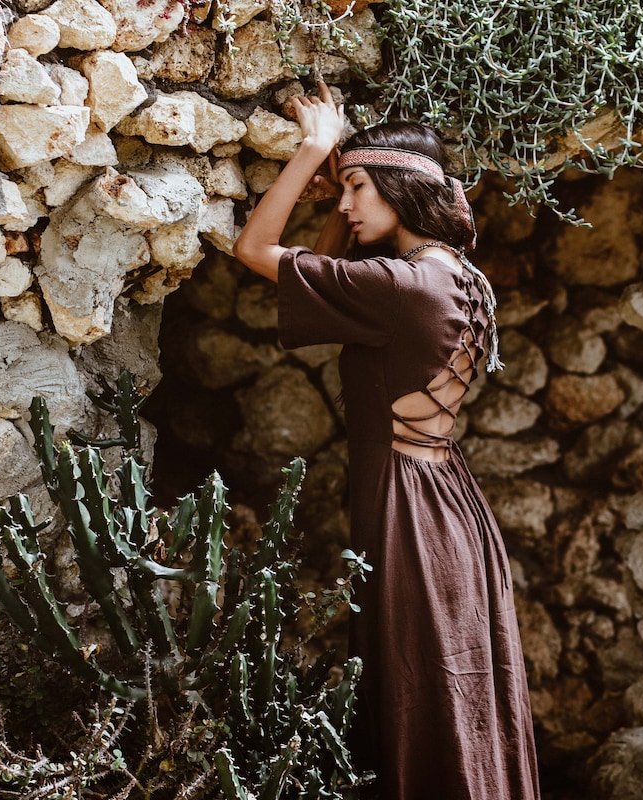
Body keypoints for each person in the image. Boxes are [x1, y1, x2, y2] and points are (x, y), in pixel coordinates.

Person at [234, 82, 541, 800]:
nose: (344, 204)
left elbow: (257, 248)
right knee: (446, 691)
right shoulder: (449, 274)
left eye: (359, 188)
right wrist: (339, 184)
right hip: (443, 502)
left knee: (415, 689)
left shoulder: (401, 286)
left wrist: (315, 146)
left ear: (401, 188)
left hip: (408, 508)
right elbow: (333, 277)